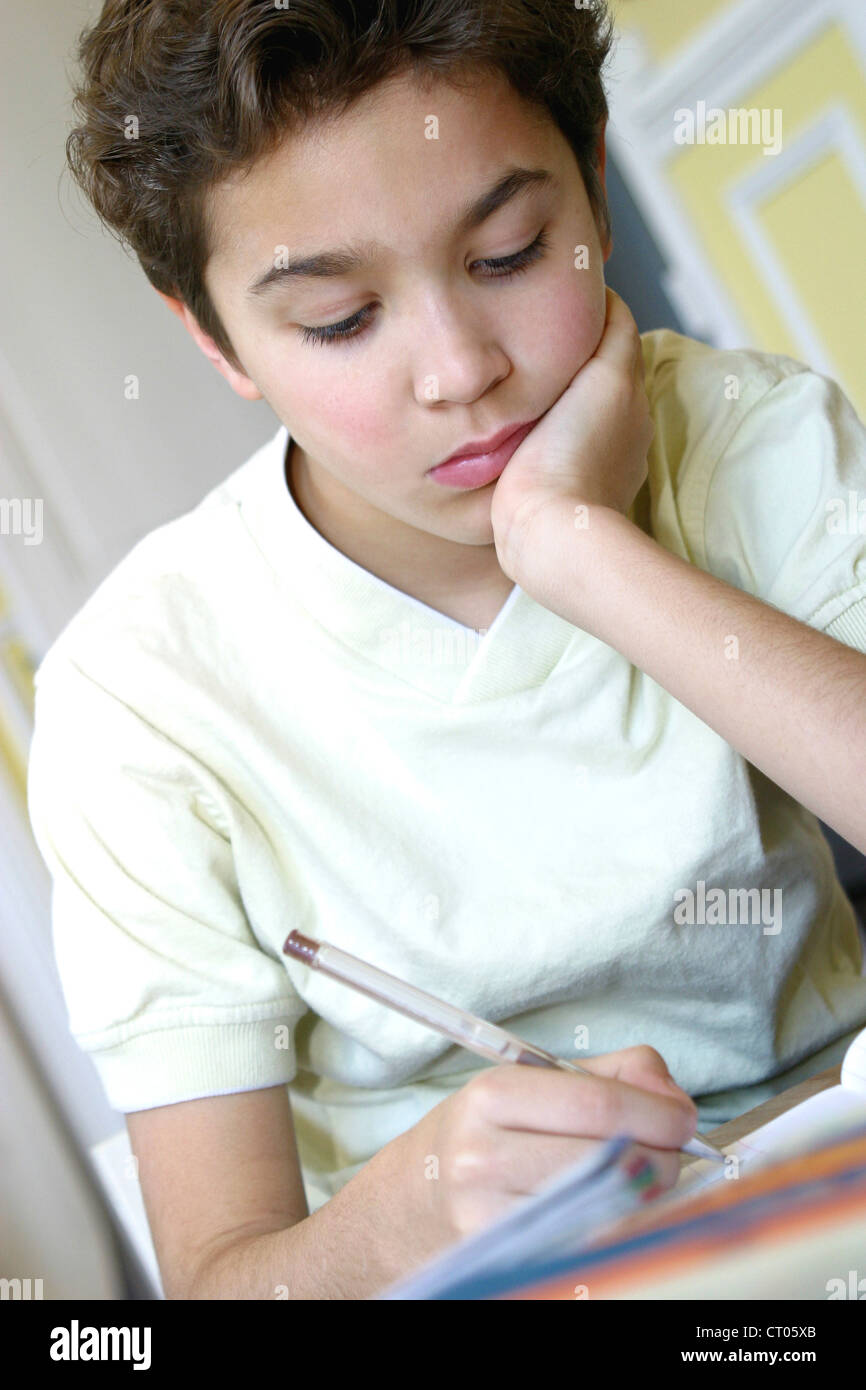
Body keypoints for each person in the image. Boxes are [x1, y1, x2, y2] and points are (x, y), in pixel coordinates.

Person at [27, 0, 866, 1299]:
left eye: (509, 253)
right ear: (212, 337)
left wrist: (576, 547)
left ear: (590, 174)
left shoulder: (739, 440)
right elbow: (220, 1277)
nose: (461, 371)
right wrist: (405, 1213)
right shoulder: (141, 700)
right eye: (341, 321)